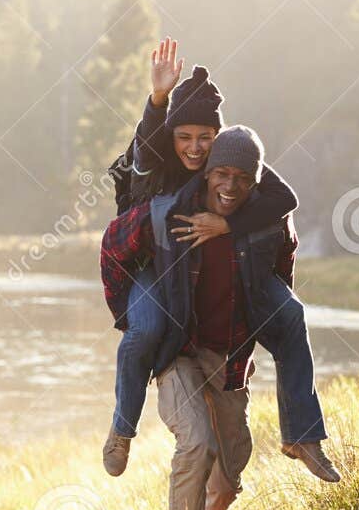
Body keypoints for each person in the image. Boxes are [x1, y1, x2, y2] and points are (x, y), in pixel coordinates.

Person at [101, 38, 339, 483]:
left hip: (222, 265)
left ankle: (303, 435)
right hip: (157, 266)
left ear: (218, 140)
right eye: (185, 137)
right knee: (147, 329)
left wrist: (229, 225)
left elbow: (283, 197)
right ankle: (121, 429)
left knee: (291, 316)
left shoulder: (227, 161)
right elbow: (148, 141)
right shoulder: (157, 161)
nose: (194, 148)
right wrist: (158, 98)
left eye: (204, 139)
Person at [100, 126, 303, 510]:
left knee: (229, 476)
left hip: (229, 357)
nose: (229, 186)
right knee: (197, 443)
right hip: (178, 350)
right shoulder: (167, 208)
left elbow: (283, 266)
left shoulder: (264, 215)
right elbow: (113, 246)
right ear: (208, 172)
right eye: (220, 174)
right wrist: (132, 313)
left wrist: (233, 229)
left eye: (241, 178)